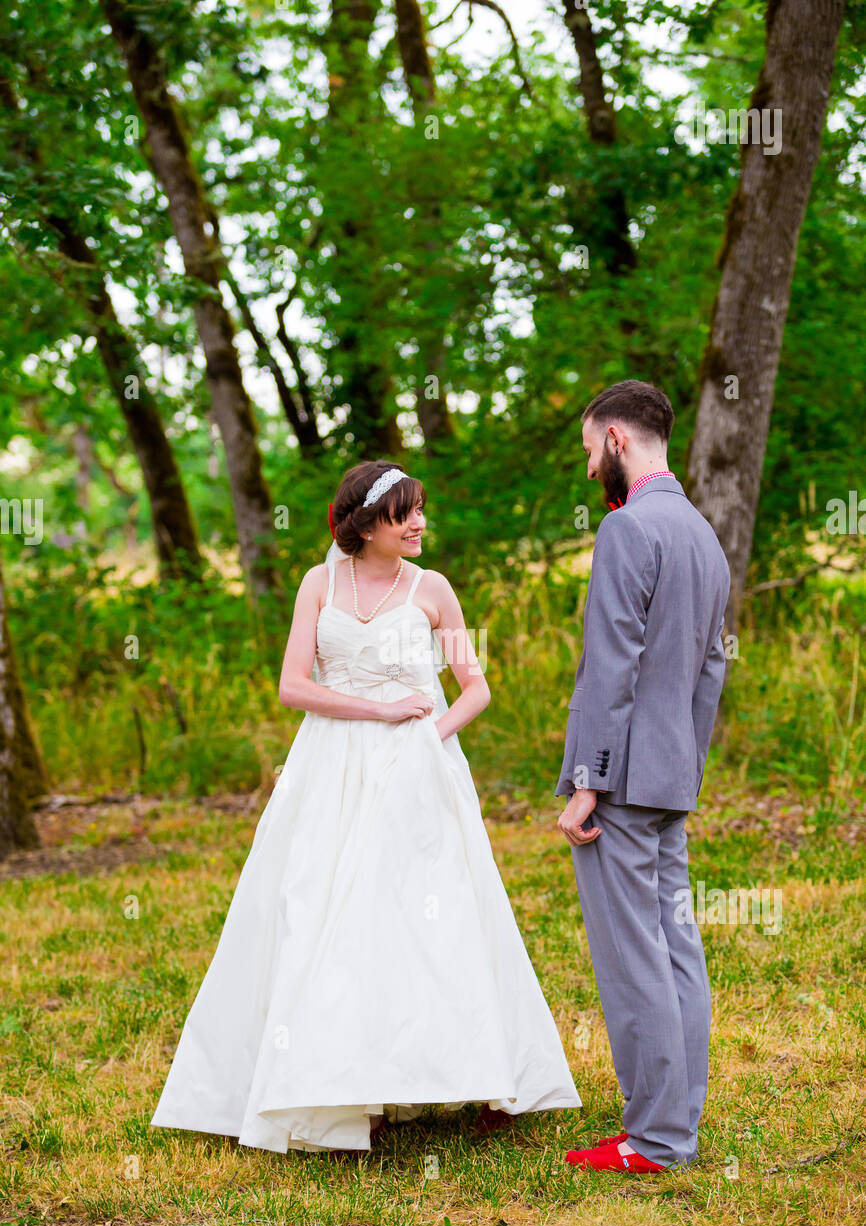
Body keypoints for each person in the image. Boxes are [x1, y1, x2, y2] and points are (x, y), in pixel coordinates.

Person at [152, 459, 581, 1154]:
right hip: (331, 764)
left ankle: (485, 1073)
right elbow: (294, 686)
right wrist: (375, 712)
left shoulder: (434, 590)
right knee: (325, 911)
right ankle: (352, 1088)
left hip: (417, 771)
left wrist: (426, 742)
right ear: (364, 522)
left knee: (432, 914)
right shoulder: (319, 585)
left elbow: (474, 687)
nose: (419, 524)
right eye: (404, 513)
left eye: (419, 511)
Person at [556, 380, 730, 1174]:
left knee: (633, 955)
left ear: (619, 441)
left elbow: (611, 667)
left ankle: (656, 1140)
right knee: (675, 946)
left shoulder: (627, 532)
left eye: (592, 451)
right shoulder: (703, 534)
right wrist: (684, 767)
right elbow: (711, 669)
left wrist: (587, 780)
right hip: (670, 776)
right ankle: (675, 1124)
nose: (591, 469)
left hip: (619, 783)